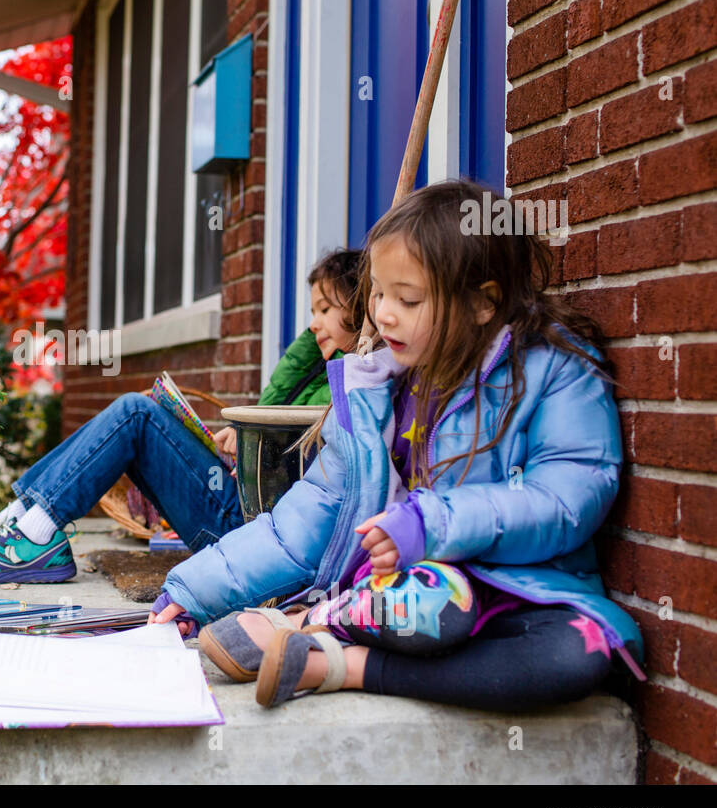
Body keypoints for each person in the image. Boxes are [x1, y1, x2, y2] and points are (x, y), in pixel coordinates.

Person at [151, 179, 647, 712]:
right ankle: (322, 620)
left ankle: (334, 657)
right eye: (379, 293)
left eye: (407, 299)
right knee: (433, 607)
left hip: (526, 591)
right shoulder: (378, 392)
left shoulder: (555, 372)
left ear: (483, 303)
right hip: (409, 591)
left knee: (577, 657)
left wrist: (434, 522)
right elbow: (305, 522)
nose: (383, 313)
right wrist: (193, 590)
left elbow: (566, 500)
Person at [0, 249, 362, 583]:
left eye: (324, 310)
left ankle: (34, 534)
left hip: (249, 528)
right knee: (140, 410)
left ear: (358, 309)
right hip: (242, 509)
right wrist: (312, 344)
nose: (314, 324)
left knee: (134, 414)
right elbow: (270, 403)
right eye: (311, 312)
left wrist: (254, 440)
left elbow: (295, 449)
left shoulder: (352, 380)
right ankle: (19, 519)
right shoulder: (319, 367)